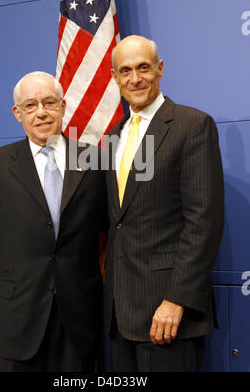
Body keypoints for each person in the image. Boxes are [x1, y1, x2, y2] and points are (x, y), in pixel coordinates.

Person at [0, 71, 106, 372]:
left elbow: (113, 234)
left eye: (49, 102)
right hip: (13, 322)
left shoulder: (94, 160)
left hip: (78, 323)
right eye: (31, 105)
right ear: (17, 113)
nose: (41, 112)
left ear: (63, 106)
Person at [104, 35, 224, 372]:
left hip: (168, 315)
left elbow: (204, 221)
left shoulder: (192, 125)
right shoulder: (114, 136)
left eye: (143, 67)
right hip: (120, 314)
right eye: (125, 71)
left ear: (160, 69)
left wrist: (176, 300)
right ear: (115, 78)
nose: (135, 78)